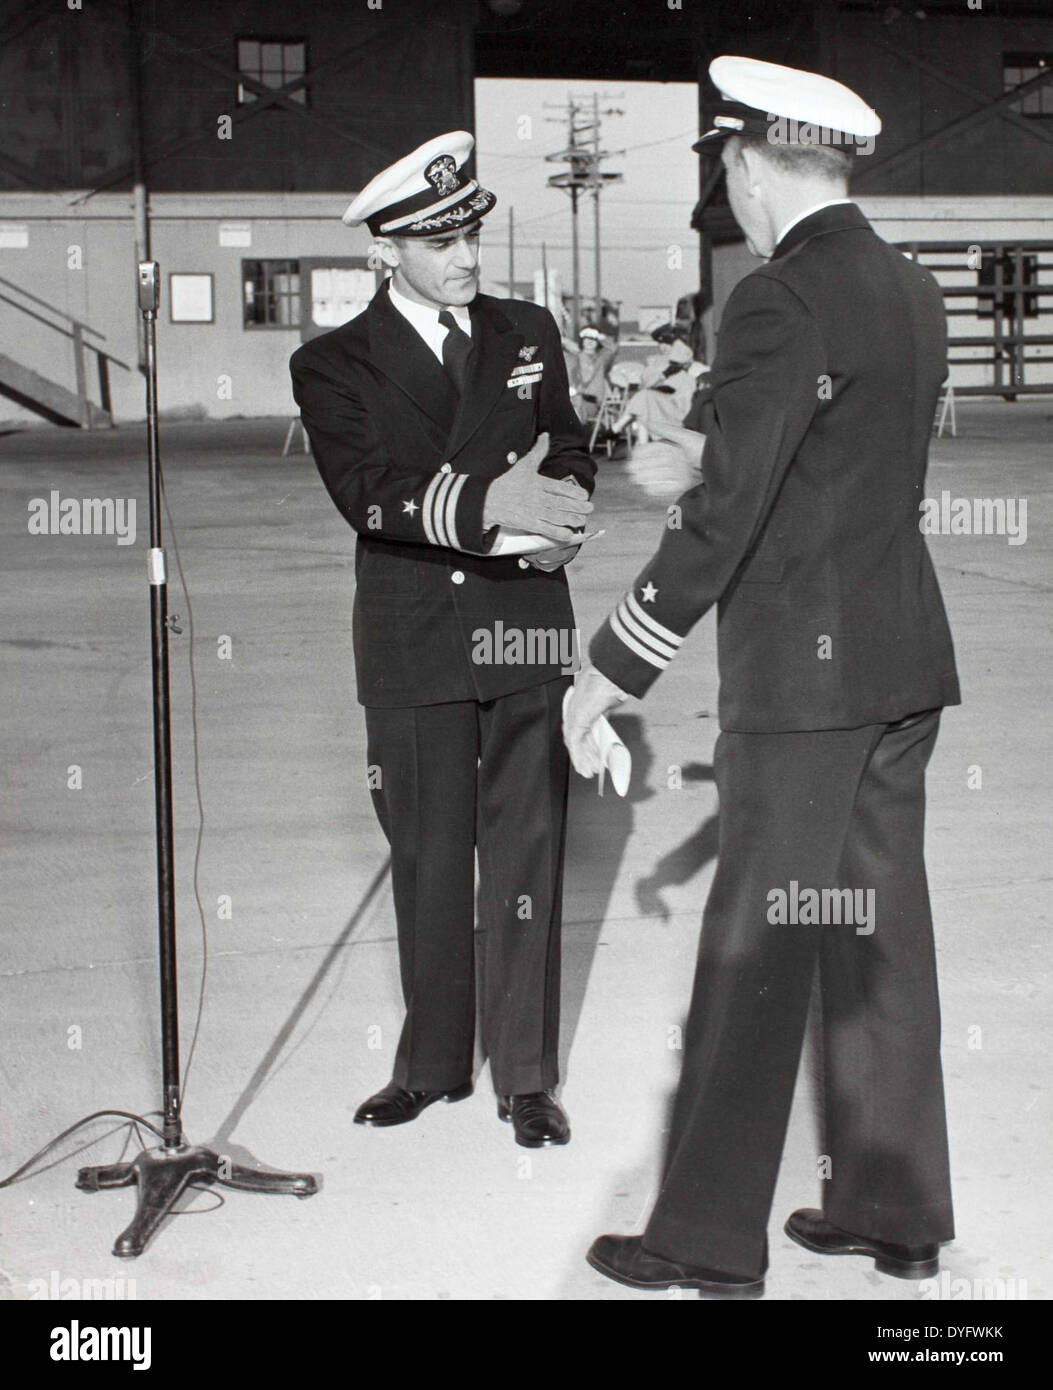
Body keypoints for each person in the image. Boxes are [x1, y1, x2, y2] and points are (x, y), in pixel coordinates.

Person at [564, 57, 959, 1295]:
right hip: (900, 660)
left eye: (724, 167)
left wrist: (610, 665)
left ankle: (704, 1241)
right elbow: (830, 469)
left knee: (751, 951)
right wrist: (712, 457)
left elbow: (735, 514)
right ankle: (896, 1211)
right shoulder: (908, 285)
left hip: (807, 680)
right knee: (880, 937)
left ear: (750, 162)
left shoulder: (778, 299)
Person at [290, 132, 596, 1148]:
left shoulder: (527, 331)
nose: (467, 254)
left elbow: (574, 442)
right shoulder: (331, 362)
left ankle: (527, 1075)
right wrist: (492, 504)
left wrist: (563, 521)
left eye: (472, 229)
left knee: (526, 851)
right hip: (415, 629)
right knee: (427, 852)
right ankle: (428, 1066)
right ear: (387, 252)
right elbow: (366, 494)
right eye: (440, 239)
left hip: (521, 625)